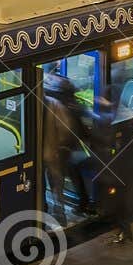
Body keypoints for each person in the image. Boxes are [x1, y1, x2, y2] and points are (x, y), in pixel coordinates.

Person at [41, 69, 97, 224]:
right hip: (57, 151)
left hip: (47, 152)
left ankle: (45, 210)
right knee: (56, 182)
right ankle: (61, 213)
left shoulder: (39, 104)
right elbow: (67, 129)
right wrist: (63, 146)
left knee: (45, 181)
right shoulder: (57, 105)